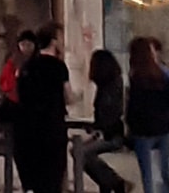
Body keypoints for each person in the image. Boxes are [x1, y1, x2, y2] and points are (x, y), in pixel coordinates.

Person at [14, 23, 78, 193]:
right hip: (52, 129)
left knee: (36, 180)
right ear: (54, 41)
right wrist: (79, 98)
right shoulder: (58, 67)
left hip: (28, 130)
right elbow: (68, 97)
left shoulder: (26, 67)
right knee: (52, 178)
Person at [81, 49, 127, 193]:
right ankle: (106, 183)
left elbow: (111, 115)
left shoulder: (111, 88)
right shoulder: (106, 86)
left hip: (113, 135)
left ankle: (114, 181)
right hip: (107, 132)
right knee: (78, 151)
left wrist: (97, 133)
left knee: (83, 153)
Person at [127, 36, 169, 193]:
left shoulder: (135, 77)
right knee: (165, 171)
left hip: (143, 133)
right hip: (163, 128)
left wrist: (131, 127)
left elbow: (133, 107)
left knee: (148, 174)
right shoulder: (162, 74)